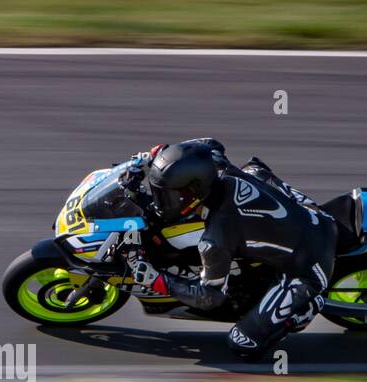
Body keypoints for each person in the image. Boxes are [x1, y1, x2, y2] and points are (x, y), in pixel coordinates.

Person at [118, 139, 337, 360]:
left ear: (195, 190)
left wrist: (155, 280)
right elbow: (209, 143)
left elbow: (210, 297)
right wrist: (155, 156)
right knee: (252, 171)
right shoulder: (215, 163)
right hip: (309, 215)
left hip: (310, 262)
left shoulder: (216, 239)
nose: (162, 201)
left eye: (172, 195)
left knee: (242, 343)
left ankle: (306, 307)